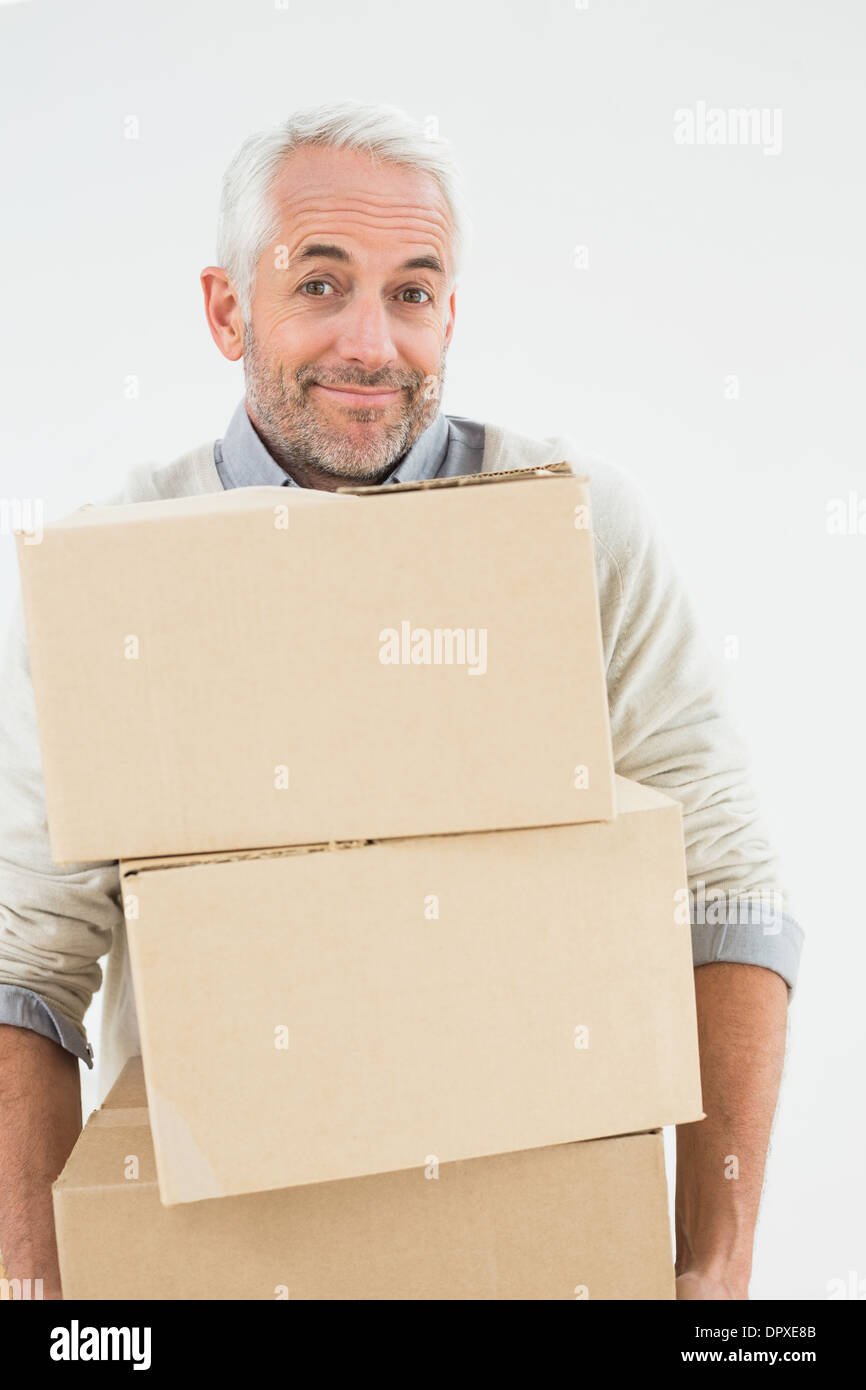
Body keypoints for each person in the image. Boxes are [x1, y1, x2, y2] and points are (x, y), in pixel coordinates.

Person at [0, 100, 803, 1301]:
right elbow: (25, 969)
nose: (371, 344)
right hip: (222, 1265)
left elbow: (725, 884)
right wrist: (43, 1302)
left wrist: (714, 1267)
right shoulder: (117, 572)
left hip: (539, 1254)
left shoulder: (570, 528)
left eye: (412, 292)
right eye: (319, 285)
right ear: (227, 309)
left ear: (450, 312)